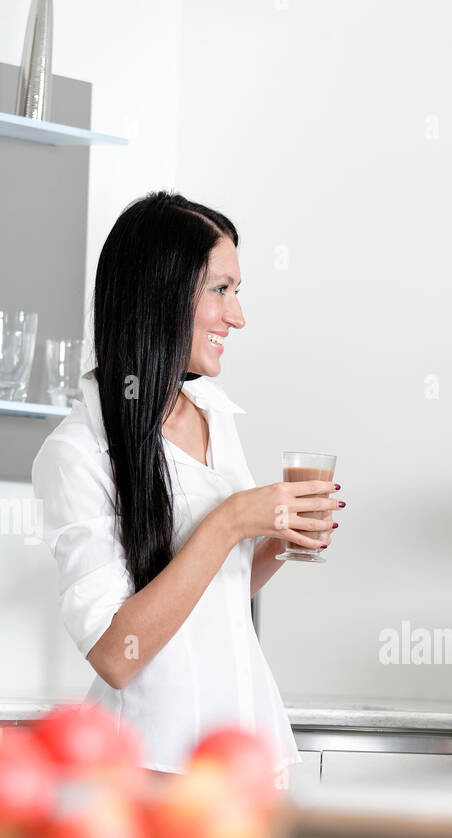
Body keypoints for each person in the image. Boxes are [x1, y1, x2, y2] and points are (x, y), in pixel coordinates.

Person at [31, 192, 343, 779]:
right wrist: (231, 521)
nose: (237, 316)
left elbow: (222, 588)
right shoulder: (76, 454)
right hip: (152, 765)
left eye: (237, 291)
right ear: (160, 292)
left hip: (245, 744)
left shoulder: (212, 415)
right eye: (220, 290)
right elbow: (114, 656)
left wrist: (280, 536)